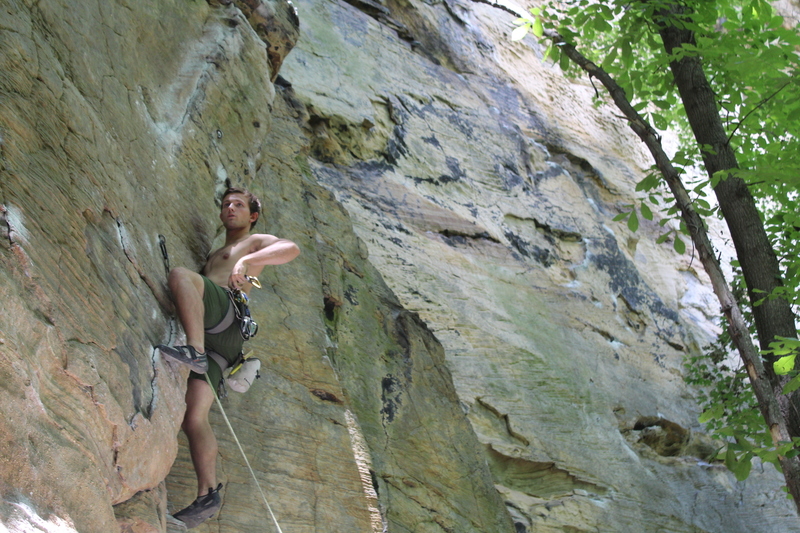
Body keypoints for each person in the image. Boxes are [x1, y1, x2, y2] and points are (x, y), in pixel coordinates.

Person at [158, 187, 300, 528]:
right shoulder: (216, 253)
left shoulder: (252, 242)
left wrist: (248, 261)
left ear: (253, 215)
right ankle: (207, 494)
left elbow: (291, 248)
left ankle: (193, 351)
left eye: (239, 204)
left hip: (224, 317)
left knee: (180, 275)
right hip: (222, 343)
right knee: (194, 417)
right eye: (225, 204)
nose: (230, 208)